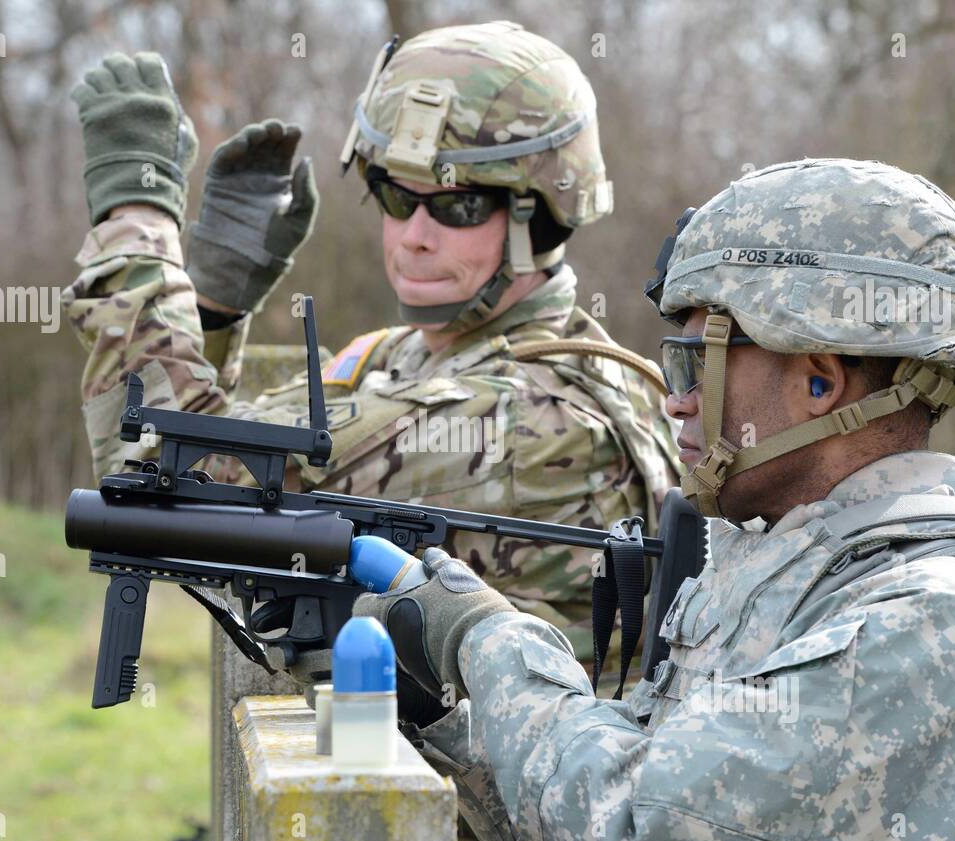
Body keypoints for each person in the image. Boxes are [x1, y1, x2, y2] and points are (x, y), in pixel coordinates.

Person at [354, 158, 955, 841]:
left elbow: (634, 840)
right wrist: (443, 707)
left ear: (819, 382)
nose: (675, 398)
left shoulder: (934, 621)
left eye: (693, 361)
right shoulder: (788, 560)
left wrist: (486, 640)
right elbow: (611, 818)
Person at [64, 23, 676, 675]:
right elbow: (210, 455)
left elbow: (166, 486)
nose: (413, 235)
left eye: (457, 205)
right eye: (396, 194)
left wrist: (137, 220)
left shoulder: (532, 423)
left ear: (543, 215)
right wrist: (211, 308)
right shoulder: (404, 356)